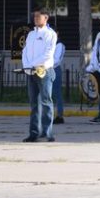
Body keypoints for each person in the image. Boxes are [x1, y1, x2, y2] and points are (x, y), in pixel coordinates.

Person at [22, 9, 57, 142]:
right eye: (34, 16)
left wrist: (33, 64)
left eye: (38, 16)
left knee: (46, 101)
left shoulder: (50, 34)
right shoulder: (31, 34)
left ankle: (47, 133)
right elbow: (25, 51)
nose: (35, 18)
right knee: (34, 104)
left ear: (46, 18)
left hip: (44, 71)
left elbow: (48, 54)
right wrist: (27, 65)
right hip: (30, 71)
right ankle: (34, 133)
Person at [52, 40, 66, 124]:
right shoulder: (48, 43)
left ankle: (59, 116)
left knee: (57, 93)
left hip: (54, 69)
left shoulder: (59, 45)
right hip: (45, 69)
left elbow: (57, 59)